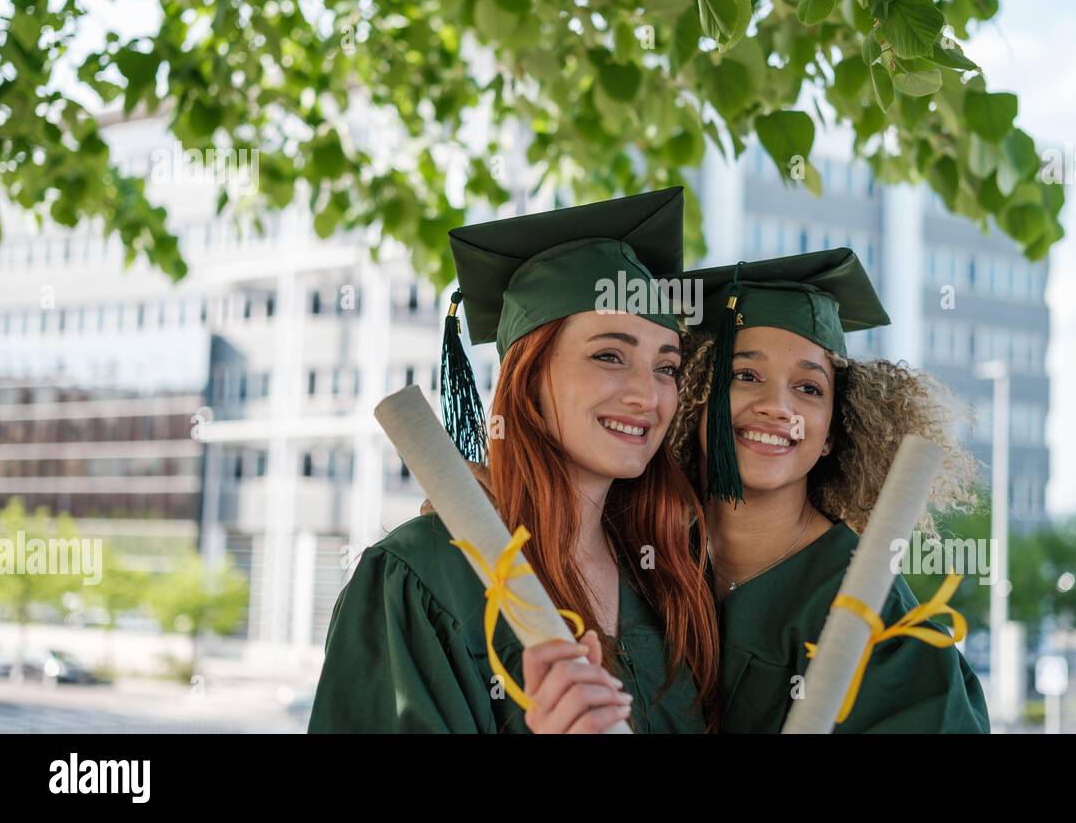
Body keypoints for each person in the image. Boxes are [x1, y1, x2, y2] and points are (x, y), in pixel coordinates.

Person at [308, 188, 720, 733]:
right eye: (609, 356)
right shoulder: (424, 576)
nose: (649, 395)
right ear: (527, 381)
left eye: (666, 367)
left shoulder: (667, 573)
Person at [663, 248, 991, 733]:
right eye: (745, 375)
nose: (778, 406)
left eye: (808, 388)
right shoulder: (652, 563)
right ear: (696, 399)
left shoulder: (874, 616)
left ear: (831, 434)